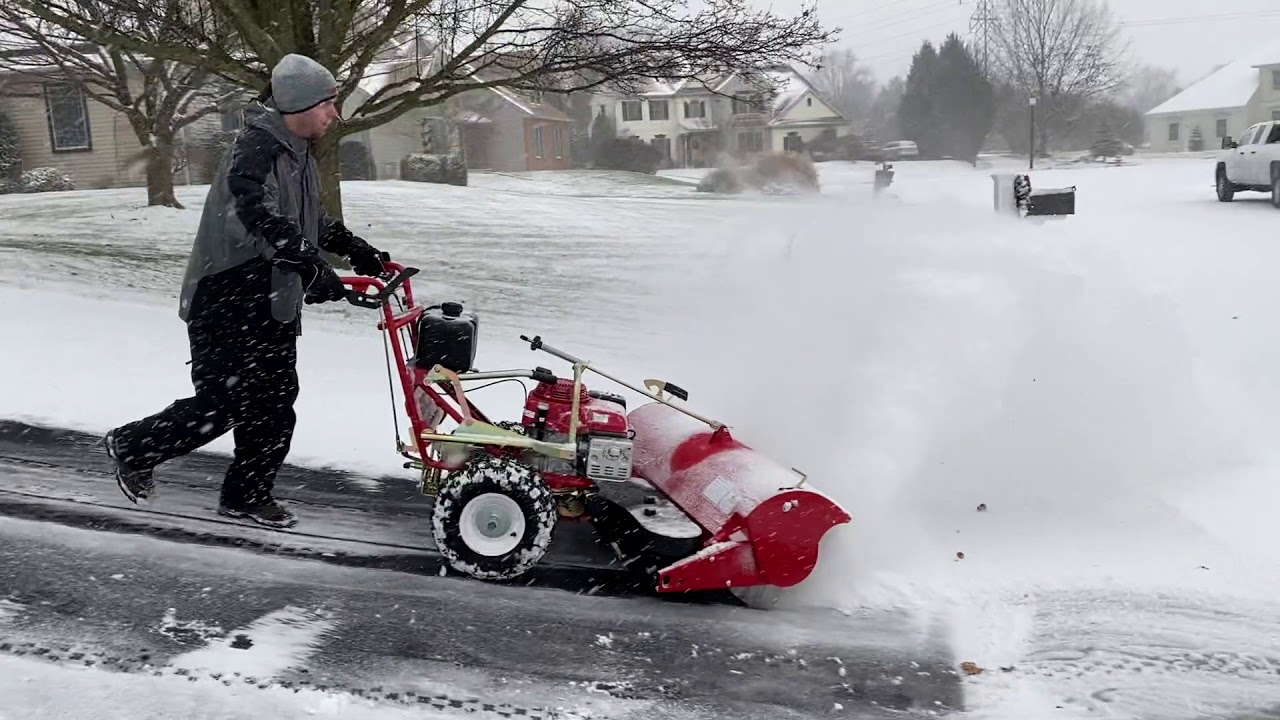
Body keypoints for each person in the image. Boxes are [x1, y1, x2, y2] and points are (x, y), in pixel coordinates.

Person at [103, 53, 388, 529]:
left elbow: (307, 219)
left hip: (268, 299)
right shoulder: (256, 149)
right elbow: (256, 214)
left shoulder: (297, 153)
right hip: (227, 294)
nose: (333, 115)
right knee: (226, 401)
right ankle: (133, 446)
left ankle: (246, 495)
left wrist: (356, 249)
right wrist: (308, 263)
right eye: (329, 104)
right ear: (300, 104)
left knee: (275, 401)